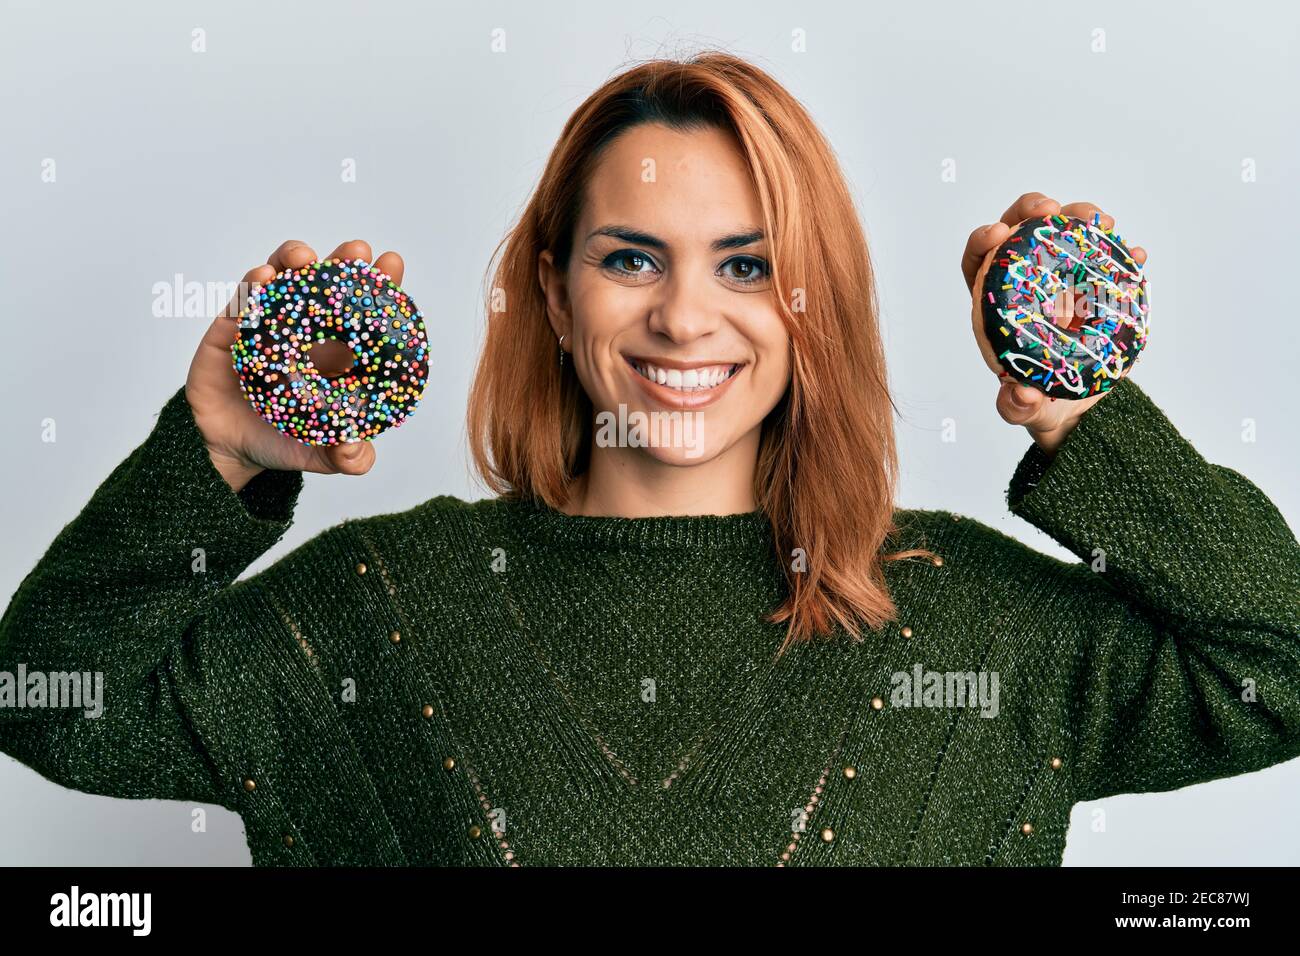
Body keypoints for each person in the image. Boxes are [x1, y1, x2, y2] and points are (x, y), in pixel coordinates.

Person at [2, 52, 1297, 867]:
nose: (685, 317)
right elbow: (47, 692)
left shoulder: (970, 618)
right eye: (631, 257)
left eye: (746, 264)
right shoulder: (377, 611)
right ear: (555, 297)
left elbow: (1281, 669)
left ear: (813, 303)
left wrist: (1078, 407)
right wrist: (218, 449)